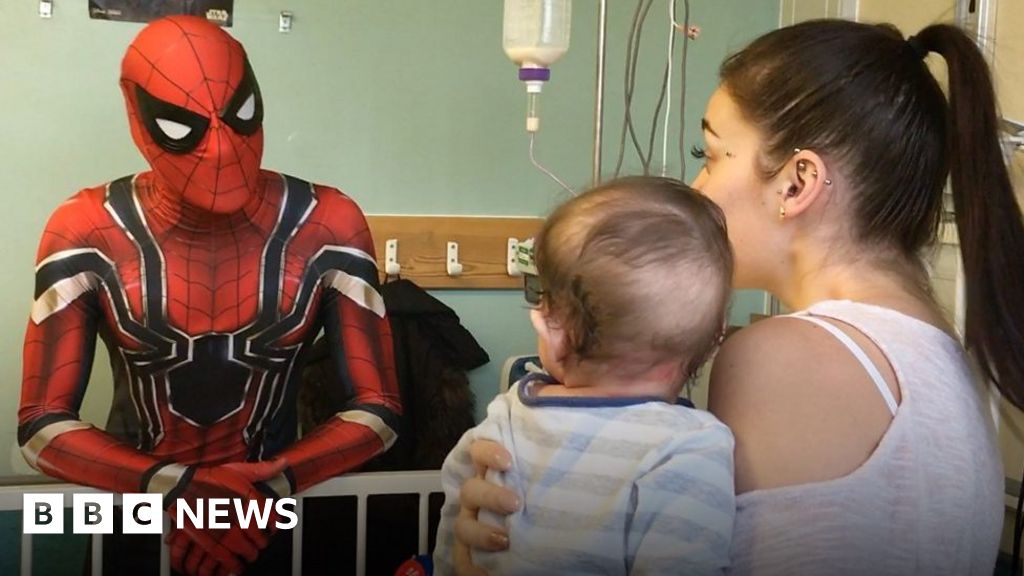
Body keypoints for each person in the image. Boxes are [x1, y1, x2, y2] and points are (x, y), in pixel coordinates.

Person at [449, 19, 1024, 576]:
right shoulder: (944, 357)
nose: (696, 189)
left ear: (796, 183)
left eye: (711, 156)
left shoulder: (781, 358)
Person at [17, 15, 401, 576]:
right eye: (183, 126)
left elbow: (380, 410)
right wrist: (191, 492)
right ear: (138, 119)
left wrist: (256, 493)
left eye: (240, 116)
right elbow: (39, 426)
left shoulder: (329, 222)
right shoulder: (86, 227)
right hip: (150, 516)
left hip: (266, 514)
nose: (222, 150)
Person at [433, 177, 737, 575]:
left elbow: (453, 536)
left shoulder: (504, 420)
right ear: (712, 343)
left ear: (551, 331)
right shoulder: (691, 447)